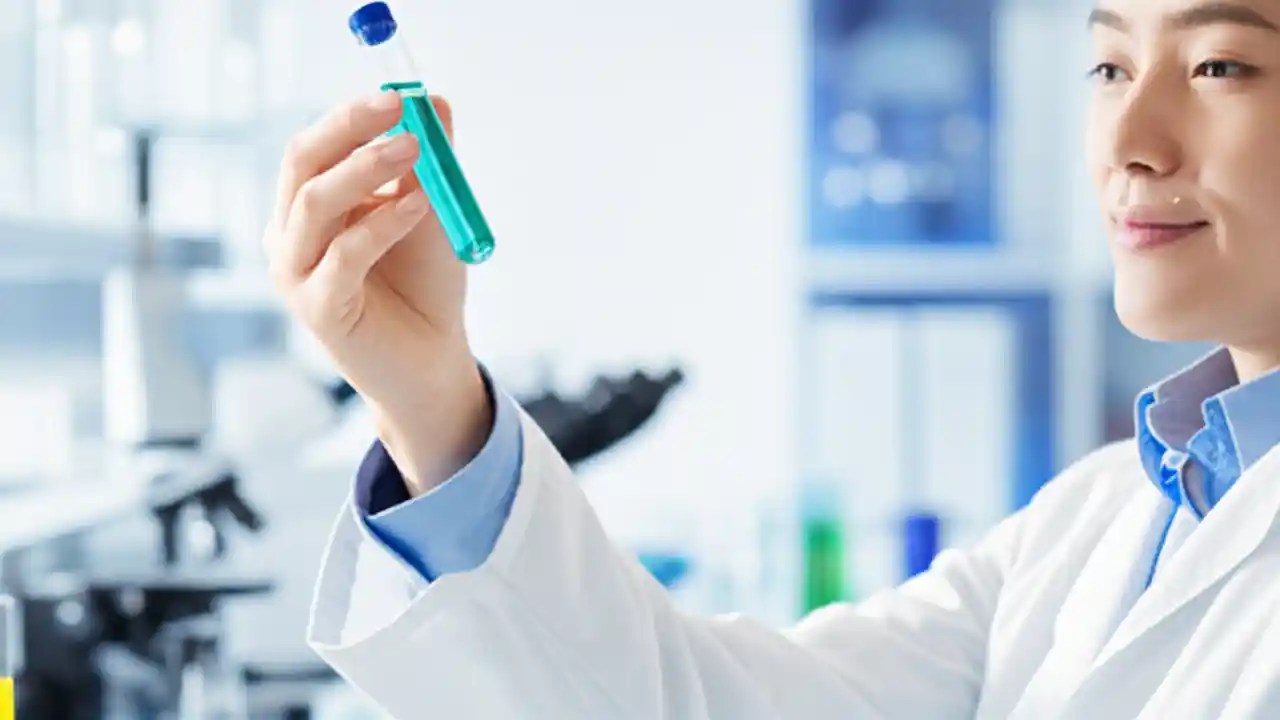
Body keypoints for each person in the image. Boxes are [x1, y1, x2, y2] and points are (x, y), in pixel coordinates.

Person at [261, 0, 1280, 717]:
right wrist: (428, 394)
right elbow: (686, 707)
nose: (1130, 141)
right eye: (1107, 66)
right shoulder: (1099, 521)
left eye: (1217, 65)